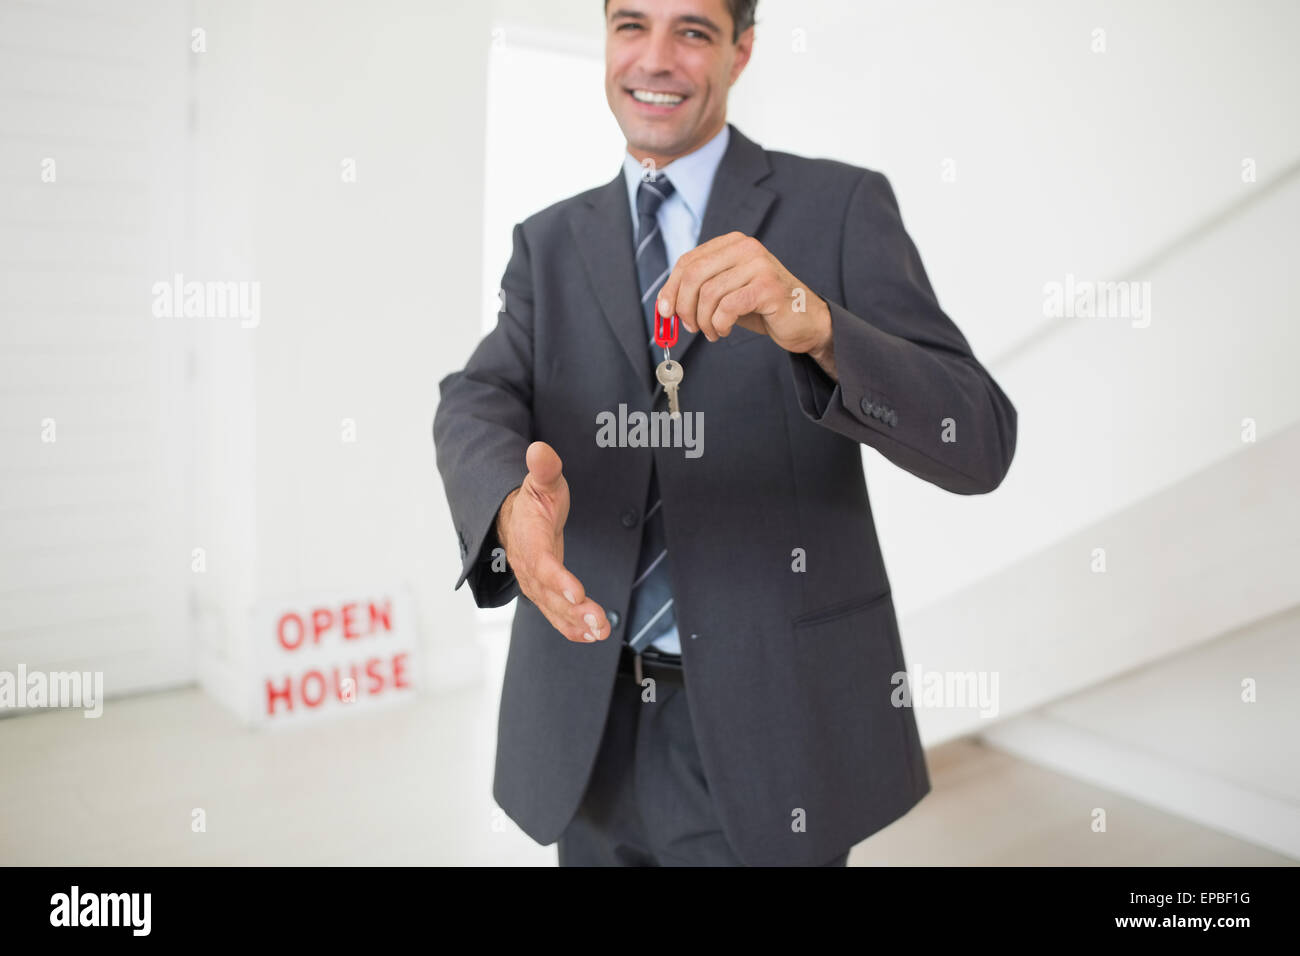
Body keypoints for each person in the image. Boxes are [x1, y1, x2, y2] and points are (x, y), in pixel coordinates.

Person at [433, 0, 1017, 866]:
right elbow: (475, 395)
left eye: (693, 32)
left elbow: (978, 436)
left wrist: (818, 325)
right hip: (587, 731)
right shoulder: (549, 242)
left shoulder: (841, 206)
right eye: (631, 26)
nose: (655, 58)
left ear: (742, 52)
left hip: (777, 731)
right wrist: (510, 504)